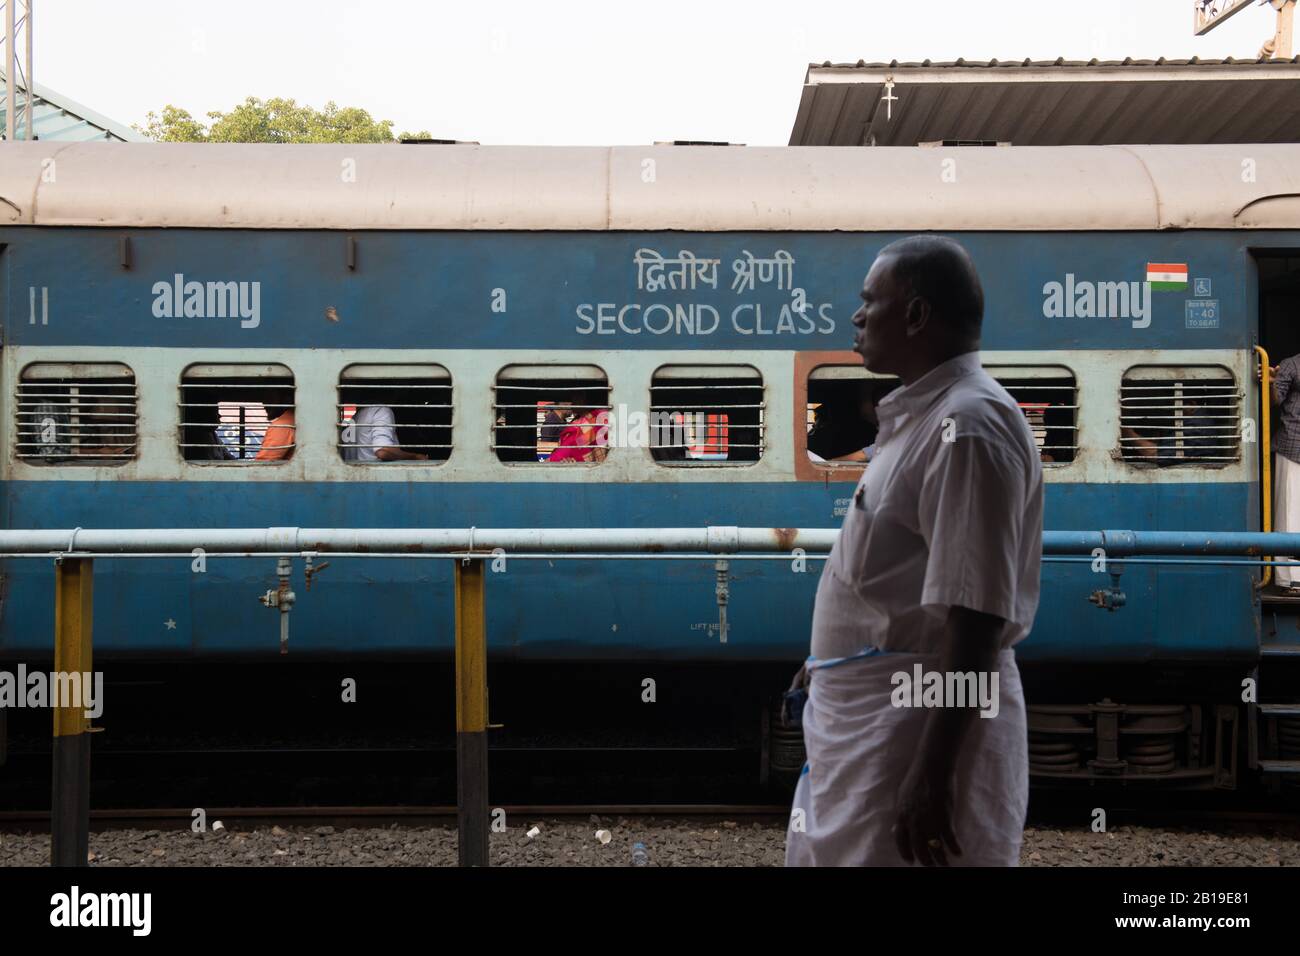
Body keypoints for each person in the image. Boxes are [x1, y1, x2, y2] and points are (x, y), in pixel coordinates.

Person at [786, 236, 1043, 868]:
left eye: (870, 300)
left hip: (907, 733)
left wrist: (932, 776)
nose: (857, 315)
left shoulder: (968, 428)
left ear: (918, 315)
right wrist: (824, 660)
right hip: (873, 722)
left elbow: (976, 619)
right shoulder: (926, 420)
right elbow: (894, 575)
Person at [1271, 356, 1300, 593]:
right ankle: (1288, 577)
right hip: (1293, 445)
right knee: (1288, 511)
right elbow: (1275, 398)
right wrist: (1271, 382)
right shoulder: (1292, 364)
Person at [341, 390, 429, 462]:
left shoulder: (356, 416)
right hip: (374, 477)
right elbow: (383, 451)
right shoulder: (381, 411)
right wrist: (415, 457)